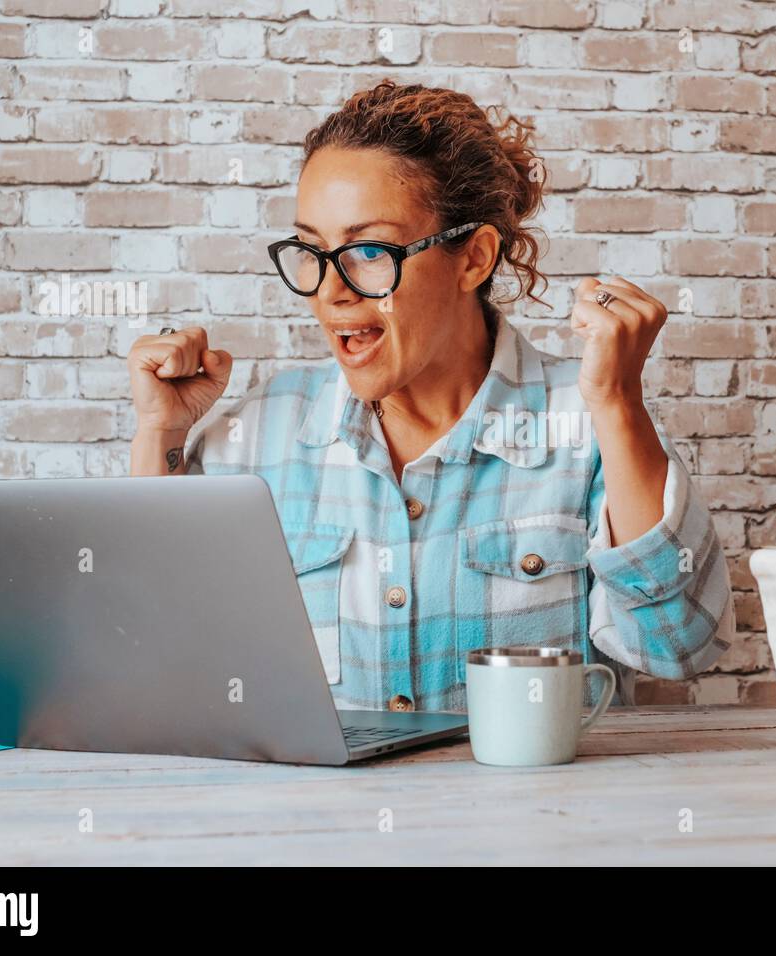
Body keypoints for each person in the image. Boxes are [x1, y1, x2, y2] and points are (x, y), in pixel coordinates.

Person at [127, 80, 733, 712]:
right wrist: (159, 432)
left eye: (367, 250)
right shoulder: (255, 437)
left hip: (539, 813)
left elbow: (677, 647)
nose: (329, 292)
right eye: (311, 250)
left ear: (472, 258)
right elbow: (155, 656)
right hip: (315, 814)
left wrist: (618, 402)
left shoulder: (590, 424)